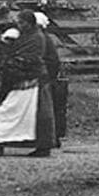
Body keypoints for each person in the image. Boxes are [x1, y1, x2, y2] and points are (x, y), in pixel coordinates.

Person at [0, 10, 56, 157]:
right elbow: (10, 52)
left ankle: (43, 147)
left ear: (30, 24)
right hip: (17, 80)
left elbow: (31, 58)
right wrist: (4, 43)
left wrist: (14, 62)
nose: (19, 25)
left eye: (22, 23)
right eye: (18, 22)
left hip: (32, 81)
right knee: (4, 111)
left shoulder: (37, 38)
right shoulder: (21, 36)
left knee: (35, 116)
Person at [36, 11, 67, 145]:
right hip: (48, 76)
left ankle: (52, 138)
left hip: (47, 77)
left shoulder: (43, 39)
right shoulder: (44, 38)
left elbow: (52, 62)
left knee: (49, 108)